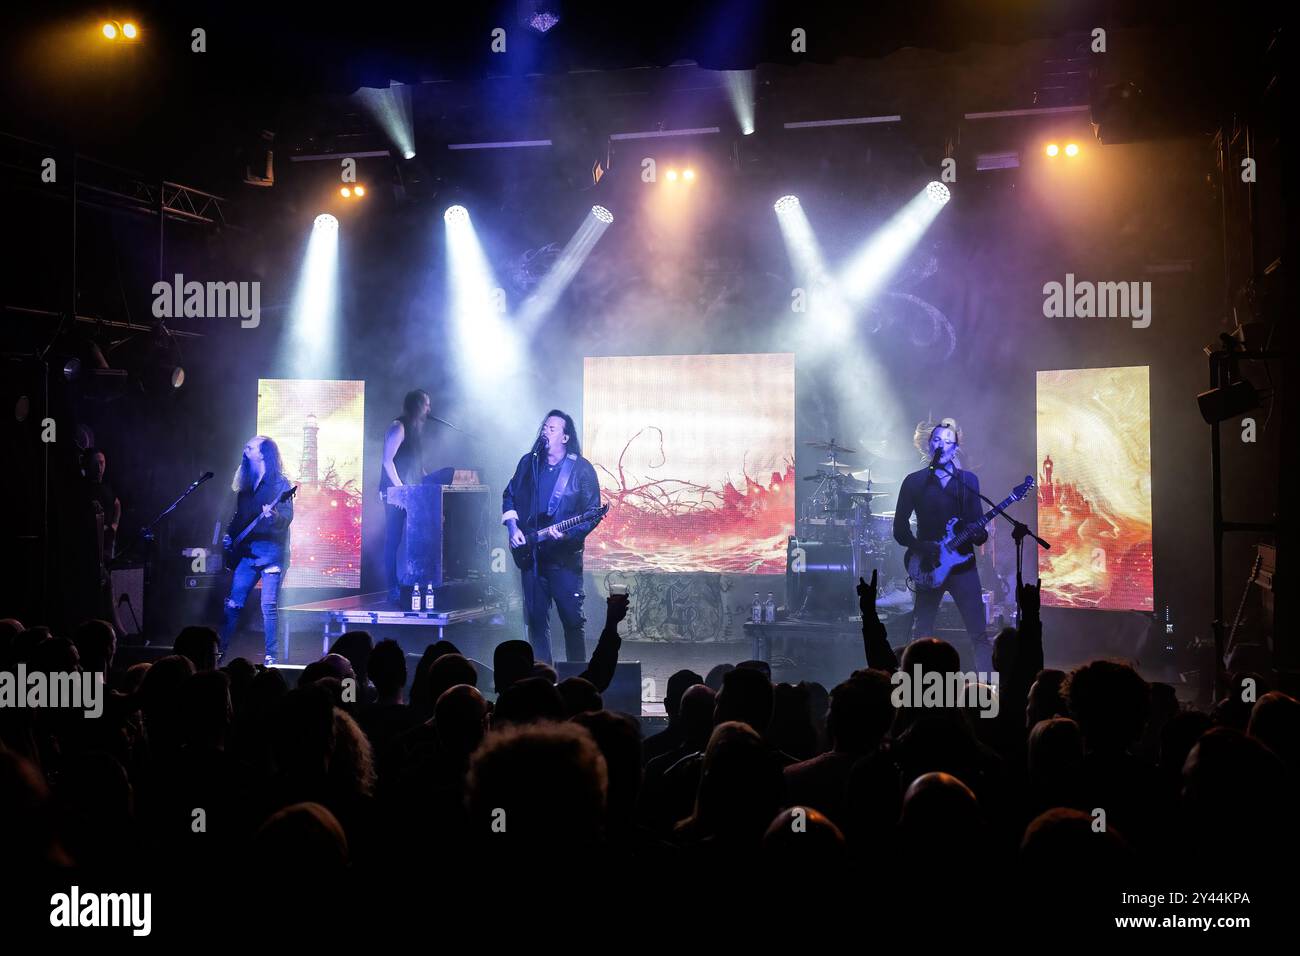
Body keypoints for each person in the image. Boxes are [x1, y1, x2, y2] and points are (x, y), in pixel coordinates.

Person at [501, 409, 601, 665]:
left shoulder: (581, 469)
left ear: (565, 437)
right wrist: (513, 528)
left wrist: (565, 537)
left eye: (552, 428)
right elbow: (509, 495)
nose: (545, 431)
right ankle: (542, 678)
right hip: (532, 558)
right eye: (544, 427)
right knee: (536, 622)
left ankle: (578, 679)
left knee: (572, 622)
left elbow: (592, 515)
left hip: (564, 561)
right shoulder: (528, 463)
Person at [892, 423, 991, 671]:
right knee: (921, 632)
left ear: (956, 447)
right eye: (937, 440)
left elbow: (978, 530)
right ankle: (916, 691)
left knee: (978, 633)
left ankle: (989, 692)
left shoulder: (968, 481)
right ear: (929, 445)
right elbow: (900, 528)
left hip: (963, 566)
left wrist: (979, 534)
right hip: (928, 565)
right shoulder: (914, 482)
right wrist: (920, 547)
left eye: (948, 441)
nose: (942, 445)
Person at [219, 436, 294, 666]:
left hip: (271, 553)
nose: (245, 448)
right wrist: (229, 536)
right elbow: (239, 517)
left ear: (262, 453)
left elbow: (287, 519)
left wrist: (274, 516)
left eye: (250, 446)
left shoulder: (281, 484)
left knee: (268, 606)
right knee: (233, 604)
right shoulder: (246, 485)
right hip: (248, 554)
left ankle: (272, 657)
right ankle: (219, 652)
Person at [379, 389, 432, 606]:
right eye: (427, 404)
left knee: (416, 538)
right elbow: (387, 461)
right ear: (418, 405)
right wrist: (401, 489)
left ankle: (412, 583)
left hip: (409, 494)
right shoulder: (398, 427)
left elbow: (417, 466)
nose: (429, 409)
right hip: (394, 494)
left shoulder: (415, 431)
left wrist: (430, 482)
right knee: (393, 539)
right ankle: (392, 586)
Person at [84, 447, 121, 561]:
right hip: (91, 542)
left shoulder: (107, 487)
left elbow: (117, 504)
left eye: (102, 463)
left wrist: (115, 525)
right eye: (96, 463)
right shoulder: (84, 487)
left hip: (108, 542)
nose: (99, 467)